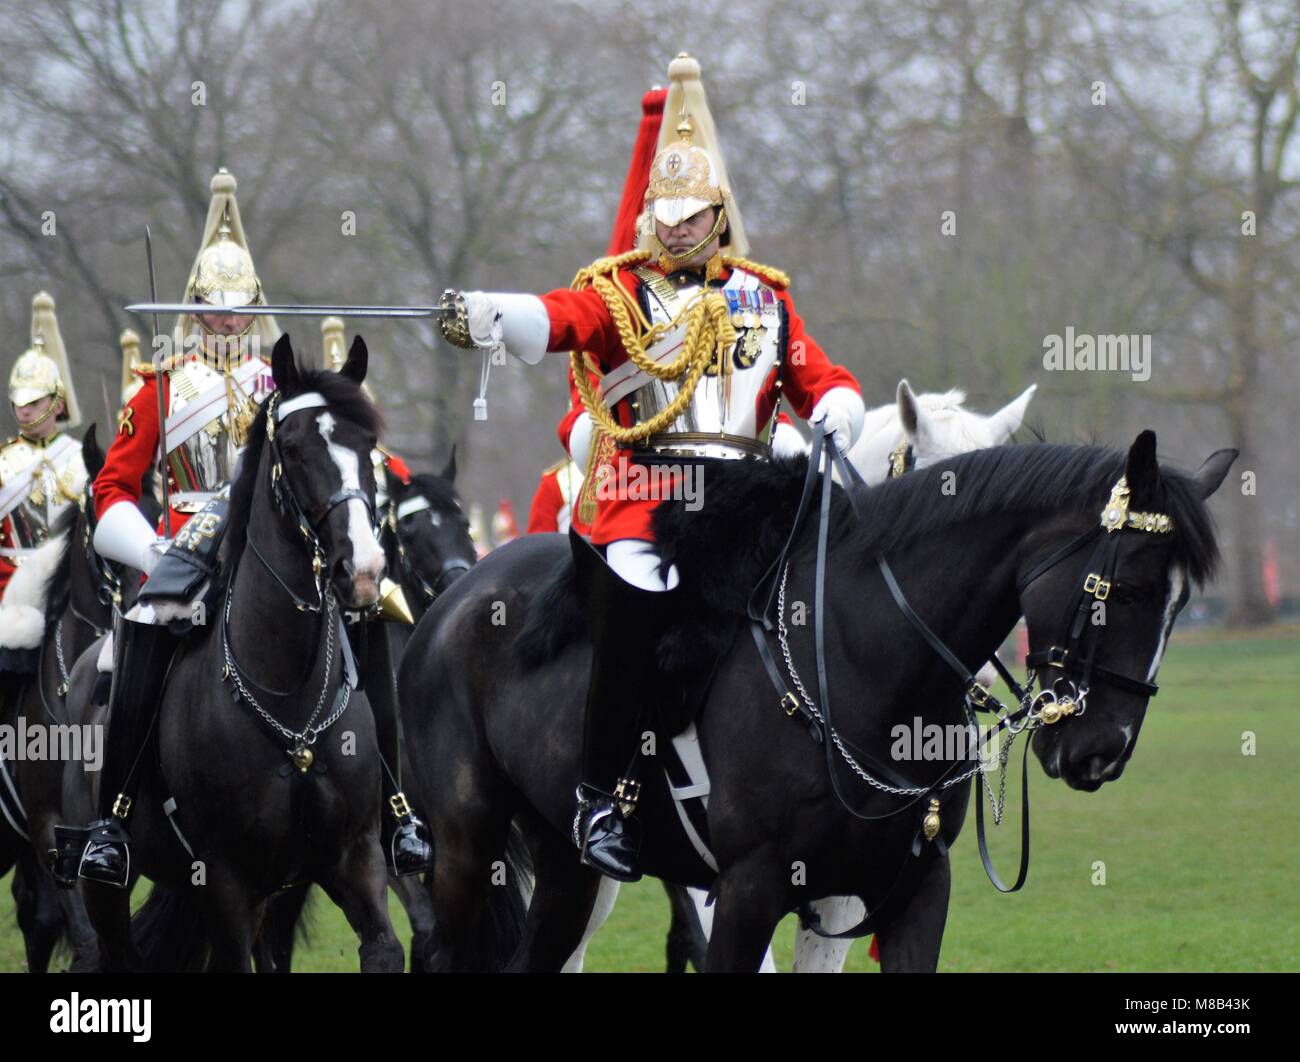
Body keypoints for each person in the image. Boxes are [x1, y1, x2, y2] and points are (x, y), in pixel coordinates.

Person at [439, 55, 865, 881]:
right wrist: (498, 314)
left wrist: (836, 416)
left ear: (718, 215)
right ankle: (600, 794)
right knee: (637, 606)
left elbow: (822, 379)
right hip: (648, 497)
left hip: (750, 501)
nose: (674, 230)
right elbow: (562, 319)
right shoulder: (621, 294)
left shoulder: (765, 298)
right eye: (663, 217)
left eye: (690, 216)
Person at [0, 292, 87, 672]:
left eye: (34, 402)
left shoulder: (81, 458)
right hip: (9, 591)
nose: (24, 410)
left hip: (66, 583)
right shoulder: (3, 460)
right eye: (20, 402)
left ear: (56, 402)